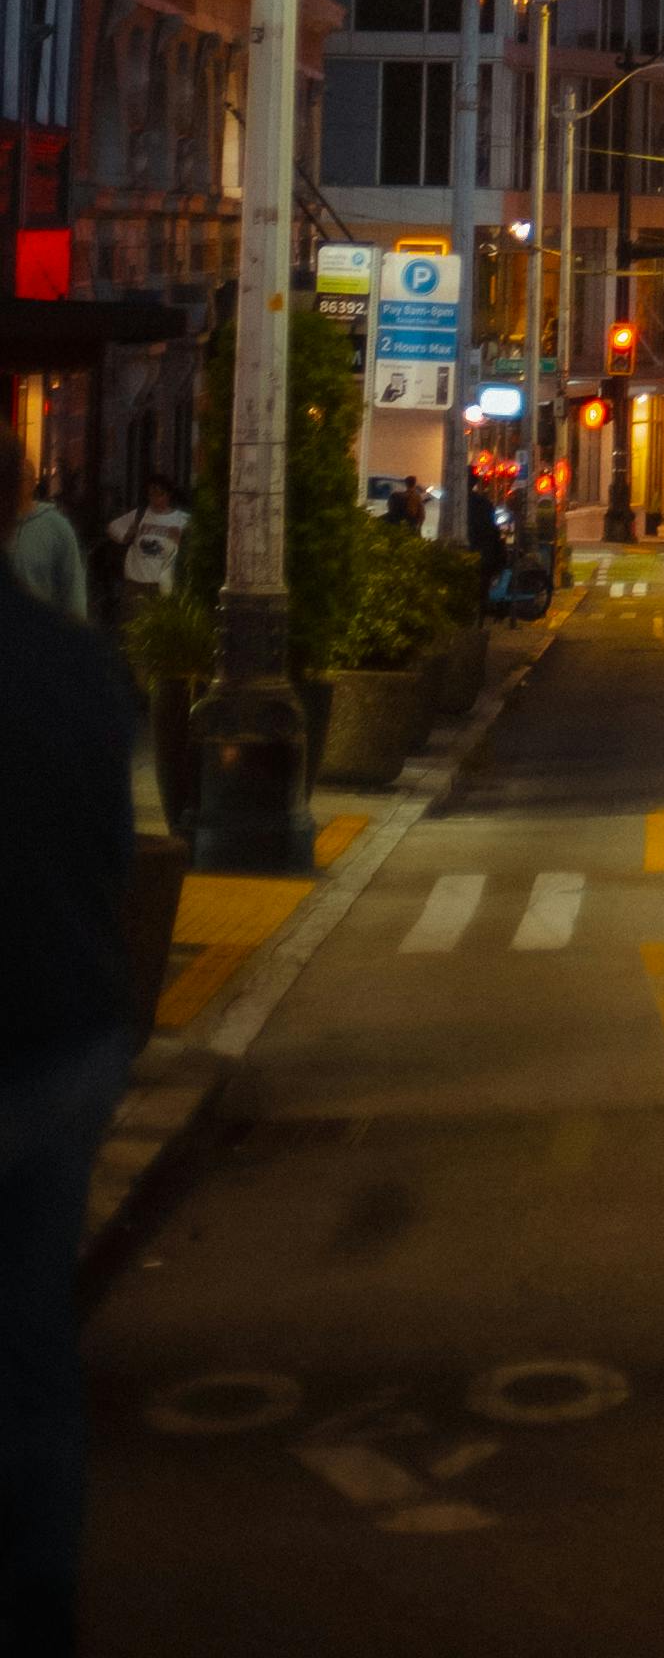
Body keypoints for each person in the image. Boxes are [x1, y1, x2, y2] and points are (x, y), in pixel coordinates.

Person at [0, 438, 139, 1654]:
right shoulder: (76, 664)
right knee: (31, 1338)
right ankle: (38, 1600)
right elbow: (118, 857)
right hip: (58, 1036)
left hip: (50, 1025)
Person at [6, 465, 87, 623]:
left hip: (38, 630)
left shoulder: (55, 526)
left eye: (20, 479)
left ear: (32, 484)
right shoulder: (5, 524)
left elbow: (72, 585)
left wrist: (74, 631)